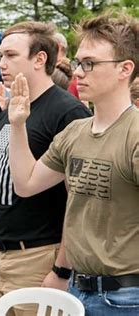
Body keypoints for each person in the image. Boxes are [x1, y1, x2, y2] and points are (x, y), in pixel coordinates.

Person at [0, 21, 91, 315]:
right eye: (1, 55)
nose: (1, 63)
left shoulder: (68, 112)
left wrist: (61, 269)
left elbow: (76, 201)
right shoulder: (12, 110)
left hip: (38, 256)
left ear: (40, 59)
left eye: (11, 55)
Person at [8, 13, 138, 315]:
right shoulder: (75, 131)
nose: (78, 72)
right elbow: (26, 184)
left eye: (90, 63)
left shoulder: (135, 135)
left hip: (126, 298)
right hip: (76, 290)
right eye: (78, 62)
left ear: (124, 69)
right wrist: (18, 125)